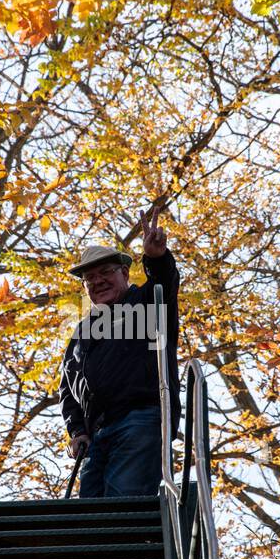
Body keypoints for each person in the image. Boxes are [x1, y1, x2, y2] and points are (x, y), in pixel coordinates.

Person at [59, 206, 180, 498]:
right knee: (90, 511)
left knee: (121, 505)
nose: (98, 281)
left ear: (125, 273)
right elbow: (68, 387)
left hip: (141, 418)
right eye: (90, 278)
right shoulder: (83, 333)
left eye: (105, 272)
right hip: (98, 434)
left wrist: (156, 258)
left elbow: (165, 283)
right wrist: (77, 432)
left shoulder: (146, 302)